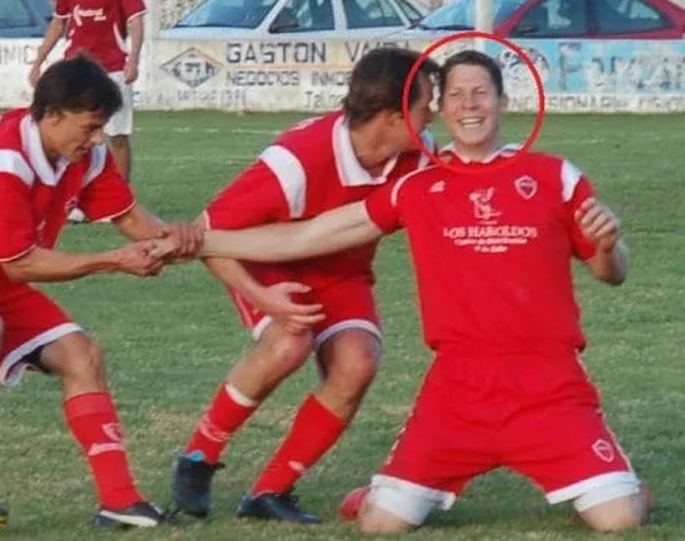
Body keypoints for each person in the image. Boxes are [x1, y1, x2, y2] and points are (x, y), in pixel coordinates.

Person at [197, 50, 650, 533]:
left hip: (549, 385)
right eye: (455, 94)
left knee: (618, 520)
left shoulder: (555, 175)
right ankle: (375, 492)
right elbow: (310, 235)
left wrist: (608, 244)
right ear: (442, 106)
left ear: (503, 101)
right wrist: (201, 240)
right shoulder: (418, 184)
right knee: (379, 525)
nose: (468, 104)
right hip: (457, 391)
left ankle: (624, 483)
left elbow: (612, 272)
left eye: (481, 92)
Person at [0, 55, 199, 532]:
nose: (96, 139)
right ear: (51, 115)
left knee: (82, 354)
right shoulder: (1, 161)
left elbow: (128, 219)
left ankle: (119, 500)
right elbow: (21, 262)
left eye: (101, 128)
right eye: (88, 128)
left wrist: (173, 239)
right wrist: (113, 260)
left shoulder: (82, 154)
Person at [170, 48, 439, 524]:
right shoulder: (297, 159)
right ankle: (199, 456)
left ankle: (270, 491)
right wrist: (262, 298)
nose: (433, 114)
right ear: (395, 117)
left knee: (357, 363)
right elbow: (207, 235)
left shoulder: (420, 157)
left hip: (342, 271)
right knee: (288, 343)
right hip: (267, 265)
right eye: (426, 105)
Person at [28, 0, 145, 189]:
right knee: (76, 135)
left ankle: (121, 196)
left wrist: (133, 60)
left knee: (116, 135)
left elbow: (136, 21)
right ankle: (77, 197)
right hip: (78, 72)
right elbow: (59, 22)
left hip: (113, 67)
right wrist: (39, 60)